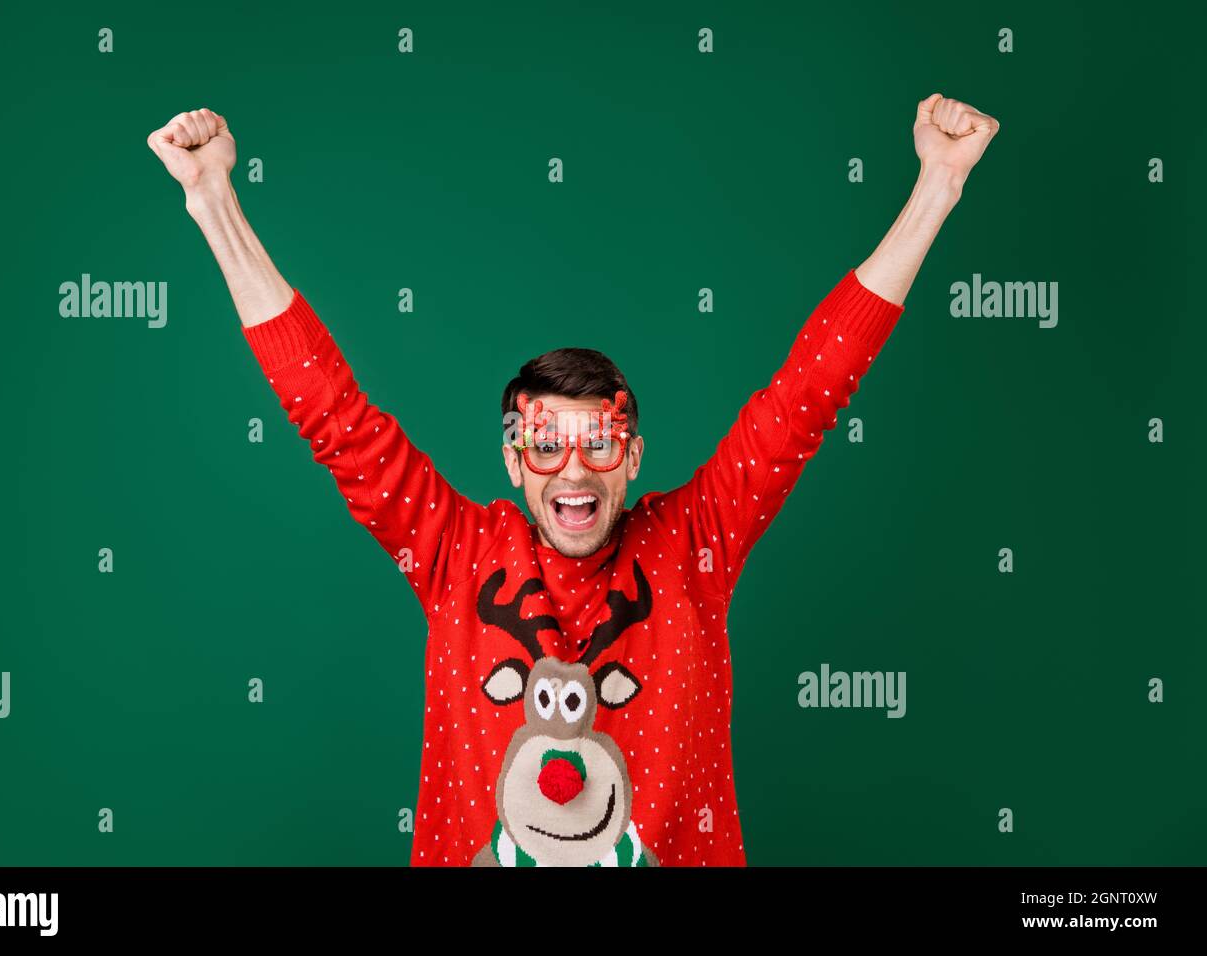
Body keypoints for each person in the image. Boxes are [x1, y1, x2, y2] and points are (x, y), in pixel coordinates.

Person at [147, 94, 999, 866]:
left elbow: (808, 395)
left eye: (600, 442)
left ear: (632, 456)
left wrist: (937, 188)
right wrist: (214, 200)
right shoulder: (452, 554)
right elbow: (332, 415)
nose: (575, 469)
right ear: (514, 461)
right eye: (546, 444)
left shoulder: (697, 543)